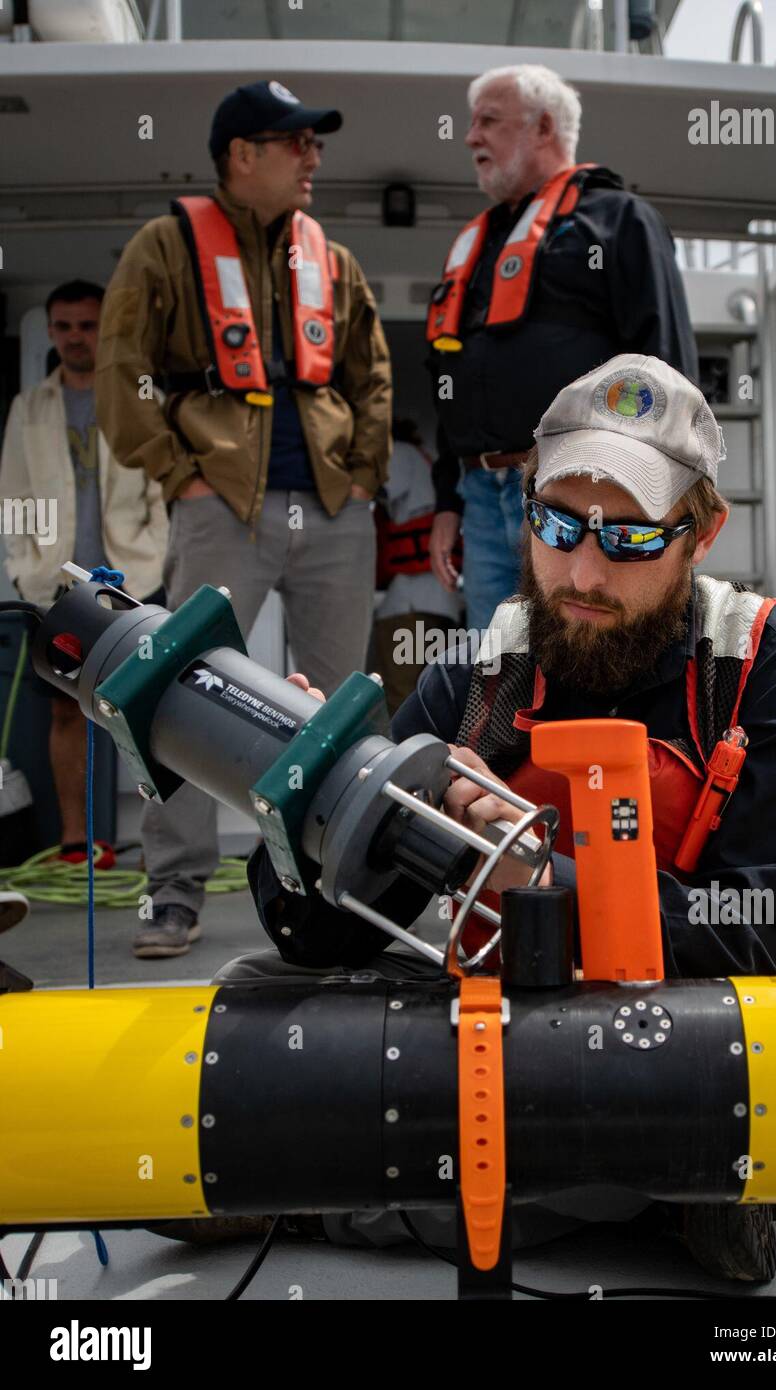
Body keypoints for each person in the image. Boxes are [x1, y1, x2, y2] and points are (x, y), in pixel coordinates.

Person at [220, 355, 776, 1280]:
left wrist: (530, 876)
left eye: (628, 538)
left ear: (702, 531)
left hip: (699, 1030)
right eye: (556, 525)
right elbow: (320, 941)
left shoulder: (774, 670)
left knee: (660, 1082)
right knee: (257, 991)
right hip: (519, 1023)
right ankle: (661, 1197)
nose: (584, 570)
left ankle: (320, 1196)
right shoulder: (486, 672)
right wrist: (309, 804)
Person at [95, 79, 392, 958]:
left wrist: (364, 476)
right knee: (179, 700)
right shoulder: (163, 247)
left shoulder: (331, 259)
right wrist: (179, 474)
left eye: (315, 144)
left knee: (344, 706)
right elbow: (121, 369)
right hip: (221, 506)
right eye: (295, 142)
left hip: (335, 514)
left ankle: (344, 883)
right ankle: (174, 890)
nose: (313, 158)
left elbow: (371, 377)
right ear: (241, 155)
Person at [426, 63, 697, 635]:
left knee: (584, 659)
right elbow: (448, 373)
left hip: (579, 499)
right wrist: (447, 499)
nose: (470, 136)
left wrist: (659, 504)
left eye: (489, 122)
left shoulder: (621, 220)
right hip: (480, 494)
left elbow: (667, 371)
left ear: (544, 127)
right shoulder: (476, 242)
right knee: (496, 668)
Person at [0, 280, 167, 868]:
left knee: (152, 711)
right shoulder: (30, 407)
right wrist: (25, 572)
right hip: (56, 590)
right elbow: (13, 498)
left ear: (106, 331)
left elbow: (161, 489)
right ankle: (79, 845)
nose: (76, 337)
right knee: (65, 710)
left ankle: (160, 848)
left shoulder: (136, 400)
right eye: (65, 326)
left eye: (88, 326)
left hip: (134, 587)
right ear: (51, 332)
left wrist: (149, 560)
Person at [373, 416, 463, 715]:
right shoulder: (425, 459)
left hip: (410, 606)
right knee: (431, 698)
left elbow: (372, 495)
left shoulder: (397, 452)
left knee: (399, 694)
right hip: (444, 605)